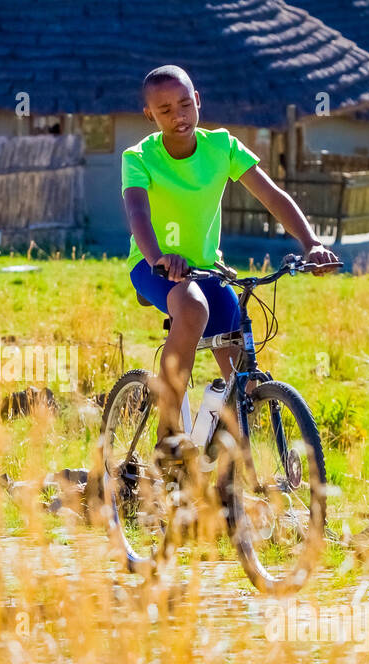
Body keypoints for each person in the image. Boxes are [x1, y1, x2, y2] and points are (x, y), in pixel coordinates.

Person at [121, 65, 340, 457]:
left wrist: (311, 243)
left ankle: (222, 472)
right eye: (166, 110)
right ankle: (167, 435)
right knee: (191, 308)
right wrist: (158, 259)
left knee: (243, 377)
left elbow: (272, 196)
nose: (179, 116)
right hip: (153, 265)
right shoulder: (138, 157)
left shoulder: (222, 147)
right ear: (149, 115)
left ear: (198, 101)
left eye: (185, 104)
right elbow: (138, 214)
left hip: (207, 269)